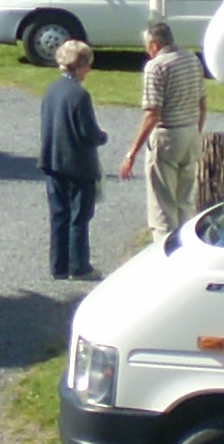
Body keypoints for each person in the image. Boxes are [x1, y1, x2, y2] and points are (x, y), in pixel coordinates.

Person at [118, 16, 207, 243]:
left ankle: (165, 254)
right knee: (185, 202)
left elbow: (152, 113)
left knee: (163, 208)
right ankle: (189, 247)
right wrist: (196, 130)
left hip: (167, 135)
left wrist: (132, 153)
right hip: (190, 131)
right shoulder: (191, 59)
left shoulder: (156, 67)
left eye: (147, 46)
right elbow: (202, 103)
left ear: (155, 45)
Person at [38, 39, 108, 280]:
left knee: (59, 214)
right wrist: (102, 137)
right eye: (87, 65)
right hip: (77, 163)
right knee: (79, 216)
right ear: (80, 65)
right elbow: (88, 132)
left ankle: (58, 265)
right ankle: (79, 266)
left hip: (52, 160)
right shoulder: (79, 95)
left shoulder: (52, 89)